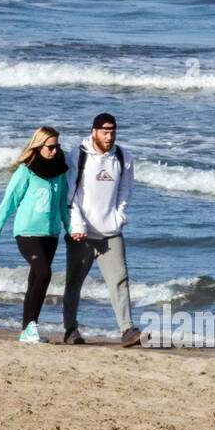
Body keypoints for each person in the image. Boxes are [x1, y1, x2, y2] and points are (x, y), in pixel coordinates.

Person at [61, 112, 141, 347]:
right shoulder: (78, 155)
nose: (109, 136)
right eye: (105, 132)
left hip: (111, 232)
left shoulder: (123, 156)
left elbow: (125, 190)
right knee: (74, 282)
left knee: (120, 280)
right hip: (81, 233)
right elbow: (70, 194)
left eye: (113, 132)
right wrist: (77, 224)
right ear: (94, 131)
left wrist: (119, 216)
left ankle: (127, 329)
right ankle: (70, 330)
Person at [0, 126, 70, 343]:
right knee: (43, 273)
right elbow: (10, 200)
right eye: (50, 147)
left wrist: (70, 229)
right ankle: (31, 327)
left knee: (36, 279)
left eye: (57, 146)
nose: (54, 151)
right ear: (39, 146)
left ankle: (27, 330)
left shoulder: (60, 172)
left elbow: (62, 205)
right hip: (27, 233)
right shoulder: (26, 170)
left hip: (51, 234)